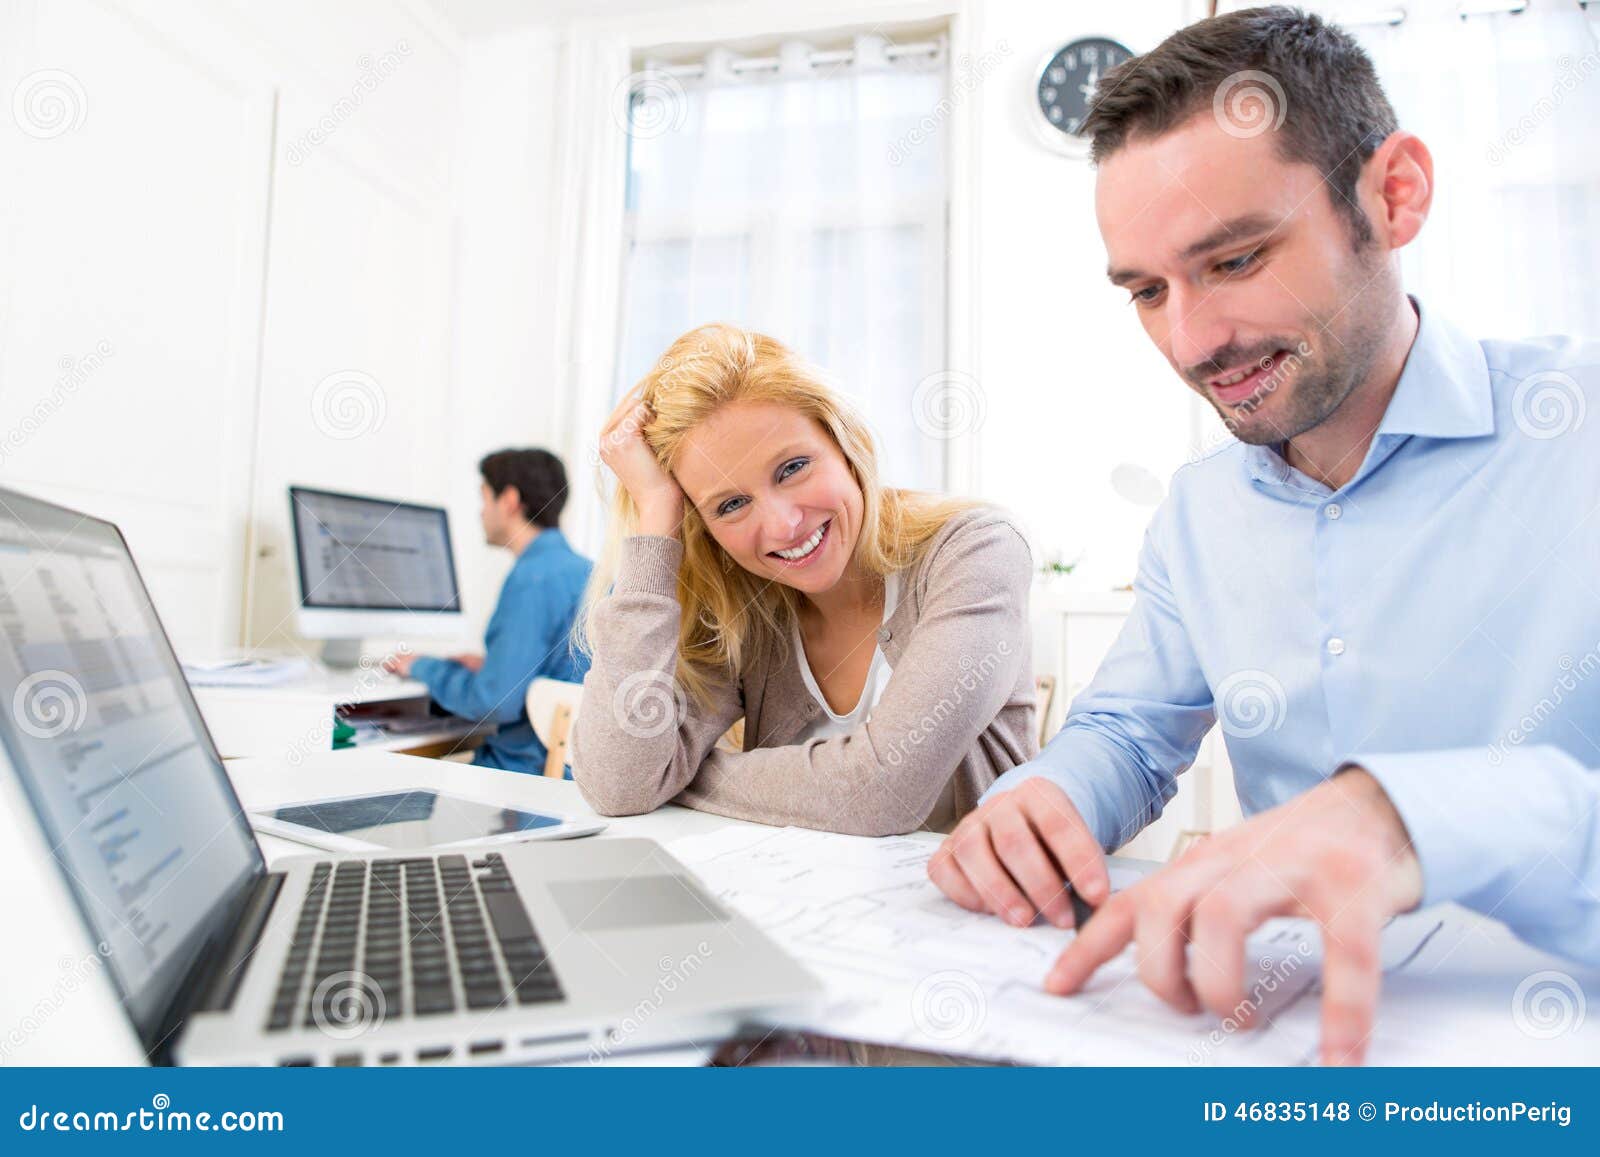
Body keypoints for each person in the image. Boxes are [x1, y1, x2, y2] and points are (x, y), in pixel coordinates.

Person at [927, 5, 1600, 1064]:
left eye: (1235, 260)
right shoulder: (1198, 515)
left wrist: (1414, 818)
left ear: (1393, 194)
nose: (1190, 341)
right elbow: (1128, 731)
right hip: (1277, 1053)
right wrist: (1042, 801)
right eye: (1147, 290)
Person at [571, 323, 1037, 834]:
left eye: (792, 467)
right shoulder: (744, 602)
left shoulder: (976, 549)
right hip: (791, 906)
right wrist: (656, 513)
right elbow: (619, 784)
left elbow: (880, 791)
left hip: (970, 911)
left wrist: (678, 778)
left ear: (844, 441)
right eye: (730, 504)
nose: (783, 525)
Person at [384, 449, 592, 775]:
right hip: (578, 773)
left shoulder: (532, 578)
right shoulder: (589, 571)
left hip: (525, 775)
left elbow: (495, 703)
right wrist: (495, 667)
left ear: (509, 500)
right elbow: (562, 670)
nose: (481, 513)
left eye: (484, 499)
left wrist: (422, 666)